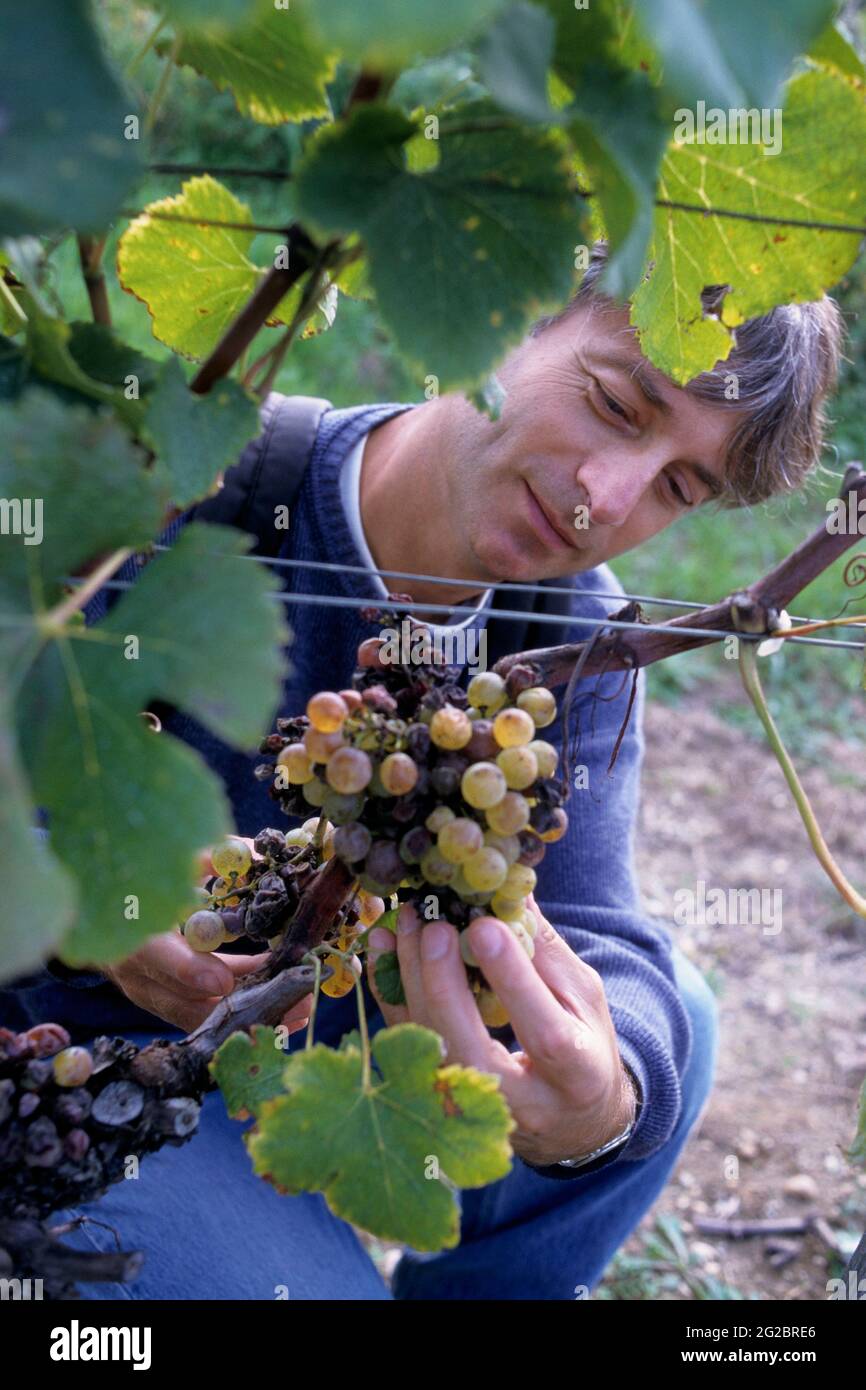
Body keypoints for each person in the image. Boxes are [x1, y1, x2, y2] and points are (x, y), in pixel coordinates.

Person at [2, 244, 842, 1299]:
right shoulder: (191, 482)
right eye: (616, 407)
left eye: (677, 484)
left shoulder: (568, 646)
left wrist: (606, 1096)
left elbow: (602, 930)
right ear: (507, 313)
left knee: (667, 1023)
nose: (605, 495)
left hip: (318, 1041)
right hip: (84, 1066)